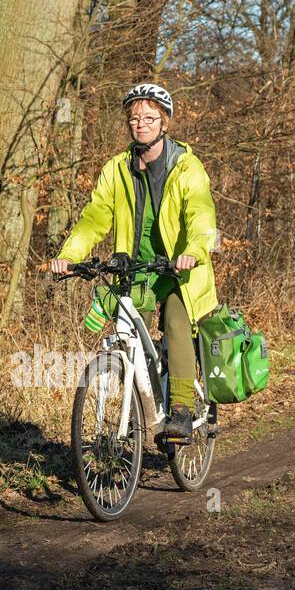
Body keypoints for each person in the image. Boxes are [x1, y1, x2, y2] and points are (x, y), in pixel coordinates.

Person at [49, 82, 218, 443]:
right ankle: (140, 401)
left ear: (165, 123)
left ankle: (182, 411)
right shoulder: (117, 169)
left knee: (175, 321)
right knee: (121, 323)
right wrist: (69, 256)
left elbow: (201, 216)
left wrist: (193, 251)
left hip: (178, 269)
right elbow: (95, 218)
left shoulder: (186, 167)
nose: (140, 124)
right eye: (135, 118)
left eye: (149, 118)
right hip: (136, 269)